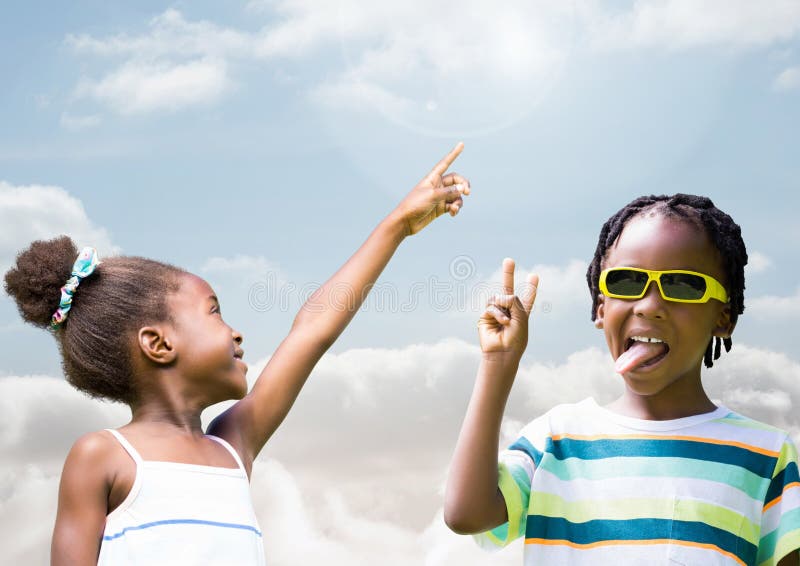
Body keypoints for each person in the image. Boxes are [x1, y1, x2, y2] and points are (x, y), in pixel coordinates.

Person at [4, 143, 470, 566]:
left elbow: (311, 332)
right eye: (214, 313)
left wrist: (397, 226)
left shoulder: (232, 447)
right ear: (158, 344)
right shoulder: (101, 456)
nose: (236, 333)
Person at [444, 194, 800, 565]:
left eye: (682, 285)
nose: (648, 305)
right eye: (627, 282)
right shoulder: (556, 440)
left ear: (723, 318)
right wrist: (498, 363)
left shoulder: (766, 455)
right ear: (601, 307)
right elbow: (466, 514)